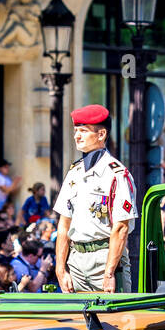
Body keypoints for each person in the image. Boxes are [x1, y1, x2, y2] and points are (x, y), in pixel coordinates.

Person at [53, 105, 137, 292]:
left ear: (101, 134)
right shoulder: (74, 172)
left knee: (113, 320)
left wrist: (109, 273)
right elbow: (63, 224)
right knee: (75, 320)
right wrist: (60, 268)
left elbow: (121, 228)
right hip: (76, 258)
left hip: (105, 258)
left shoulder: (117, 174)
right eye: (76, 131)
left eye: (83, 131)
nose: (77, 136)